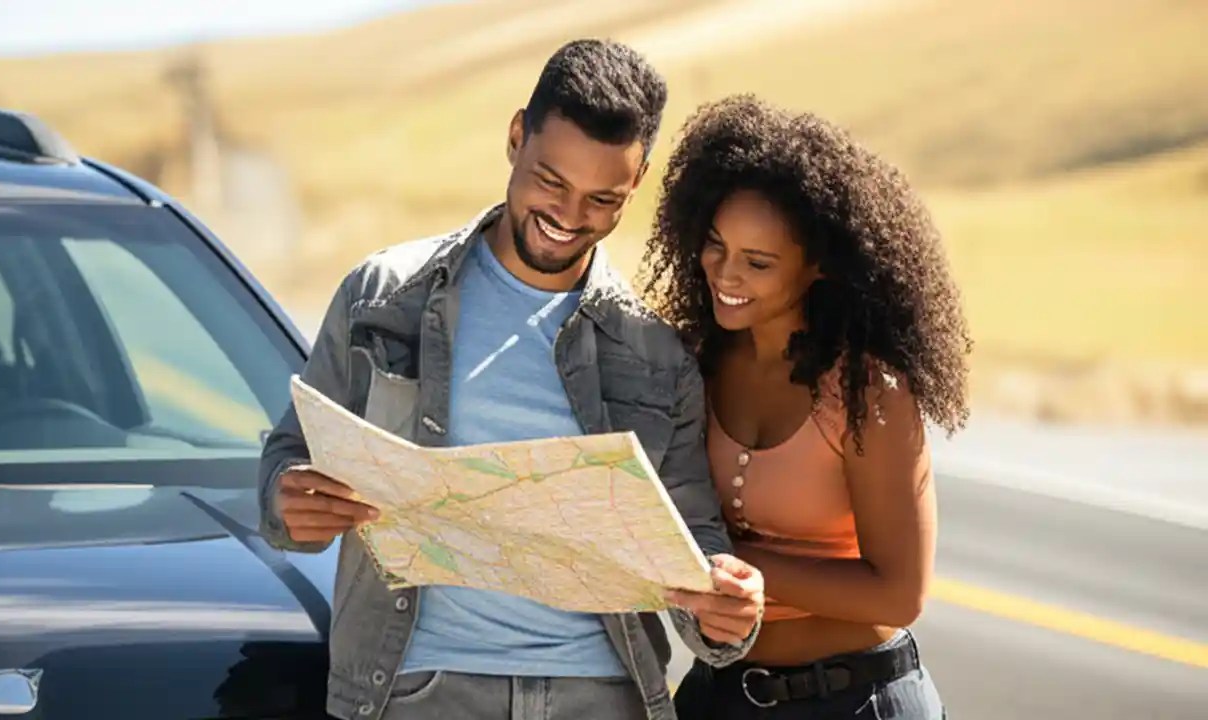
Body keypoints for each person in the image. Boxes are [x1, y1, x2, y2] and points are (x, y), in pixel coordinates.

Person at [257, 40, 765, 720]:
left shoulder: (655, 357)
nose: (569, 216)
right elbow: (291, 457)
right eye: (551, 182)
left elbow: (695, 547)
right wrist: (288, 501)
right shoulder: (384, 296)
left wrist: (725, 605)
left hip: (603, 697)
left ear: (638, 180)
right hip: (419, 691)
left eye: (602, 198)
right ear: (516, 136)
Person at [641, 95, 971, 719]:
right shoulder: (690, 366)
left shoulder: (869, 392)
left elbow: (901, 593)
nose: (725, 274)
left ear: (817, 264)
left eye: (757, 262)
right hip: (719, 696)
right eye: (715, 245)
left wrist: (732, 564)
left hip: (857, 701)